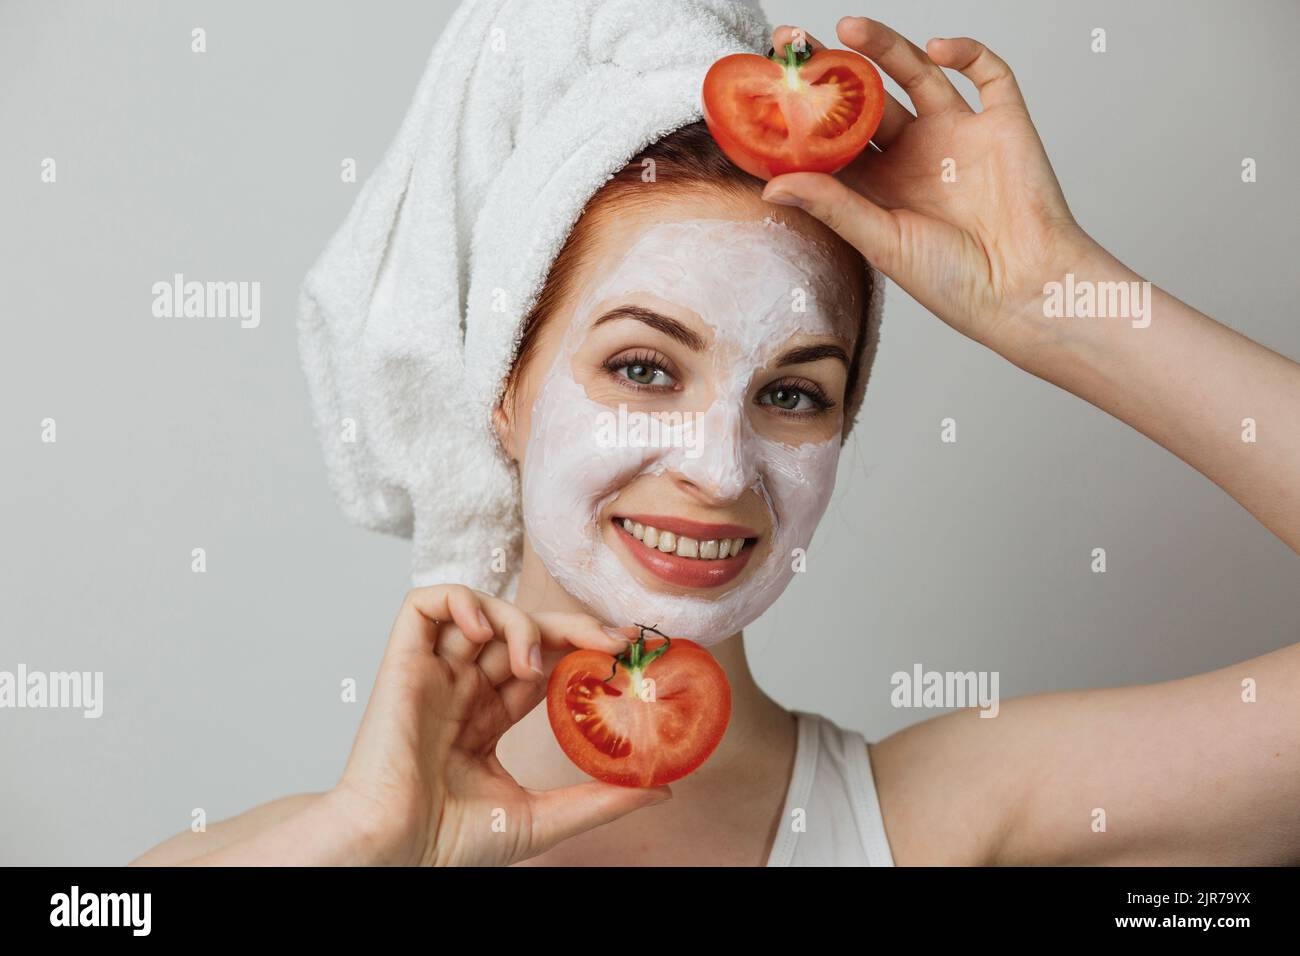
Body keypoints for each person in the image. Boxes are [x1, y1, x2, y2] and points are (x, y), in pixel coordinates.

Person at [131, 16, 1300, 867]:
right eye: (642, 367)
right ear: (505, 391)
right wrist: (361, 850)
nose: (720, 468)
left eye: (794, 393)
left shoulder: (936, 821)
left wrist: (1054, 297)